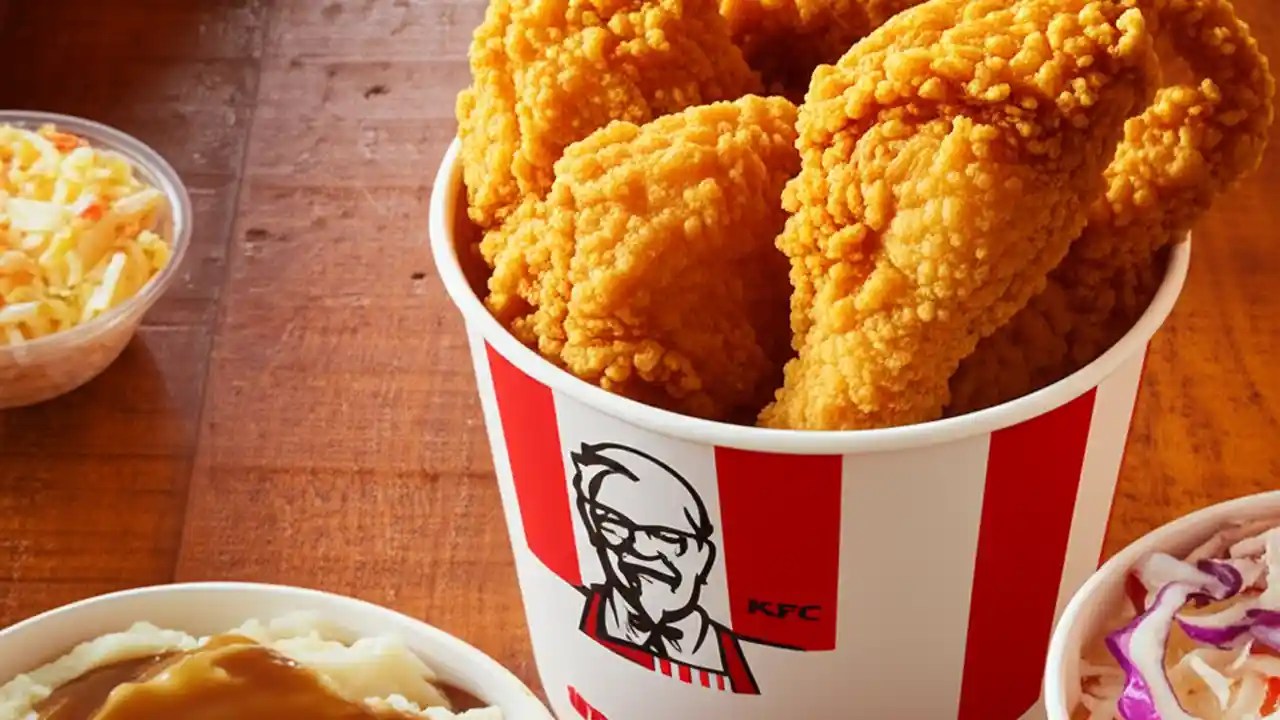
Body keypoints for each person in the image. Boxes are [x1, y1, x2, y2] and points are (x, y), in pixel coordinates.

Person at [571, 443, 758, 694]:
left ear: (704, 556)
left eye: (666, 536)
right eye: (615, 527)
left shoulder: (745, 656)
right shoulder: (568, 606)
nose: (641, 549)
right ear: (595, 535)